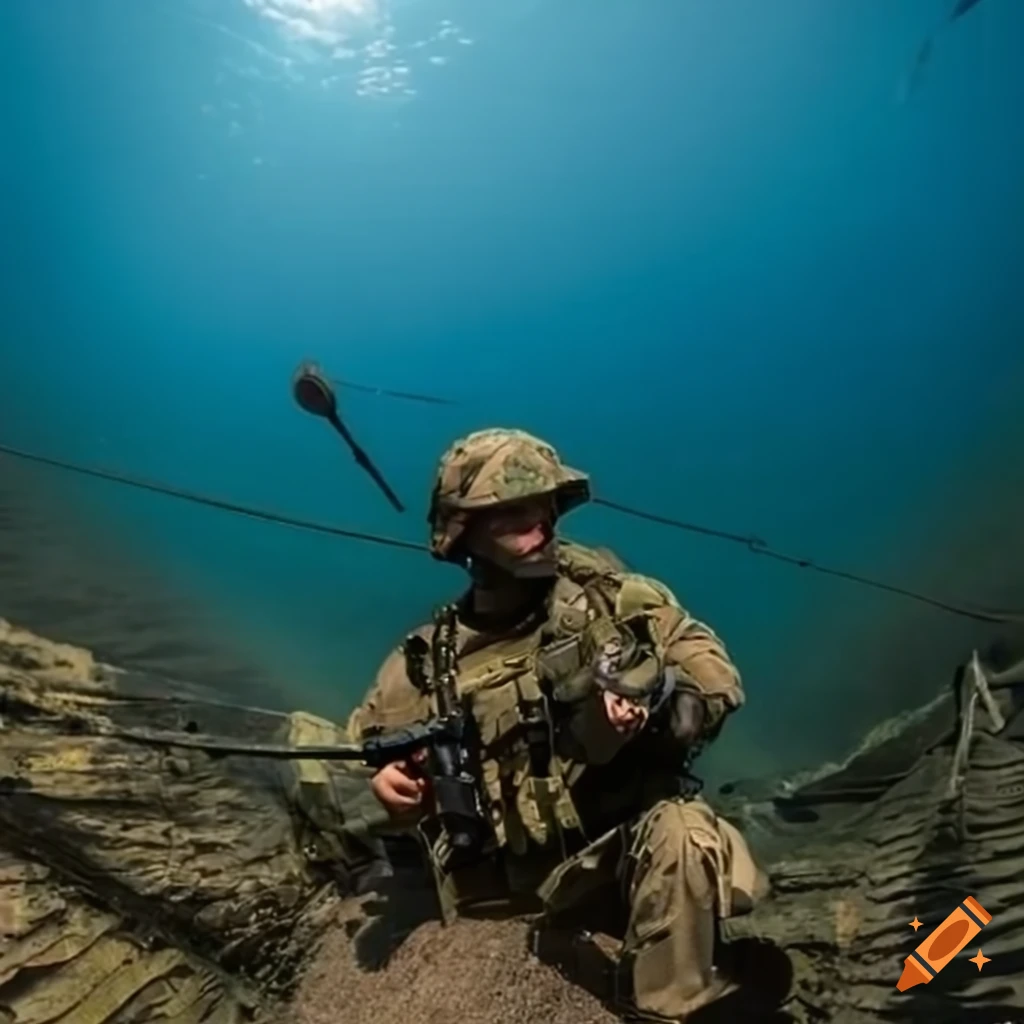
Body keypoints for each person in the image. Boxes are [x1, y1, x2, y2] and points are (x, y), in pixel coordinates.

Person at [345, 428, 765, 1022]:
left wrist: (663, 709)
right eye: (513, 514)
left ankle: (676, 1006)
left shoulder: (617, 605)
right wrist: (394, 789)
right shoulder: (421, 663)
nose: (539, 527)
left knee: (683, 828)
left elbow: (716, 678)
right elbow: (365, 744)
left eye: (544, 510)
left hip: (611, 863)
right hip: (497, 896)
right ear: (464, 530)